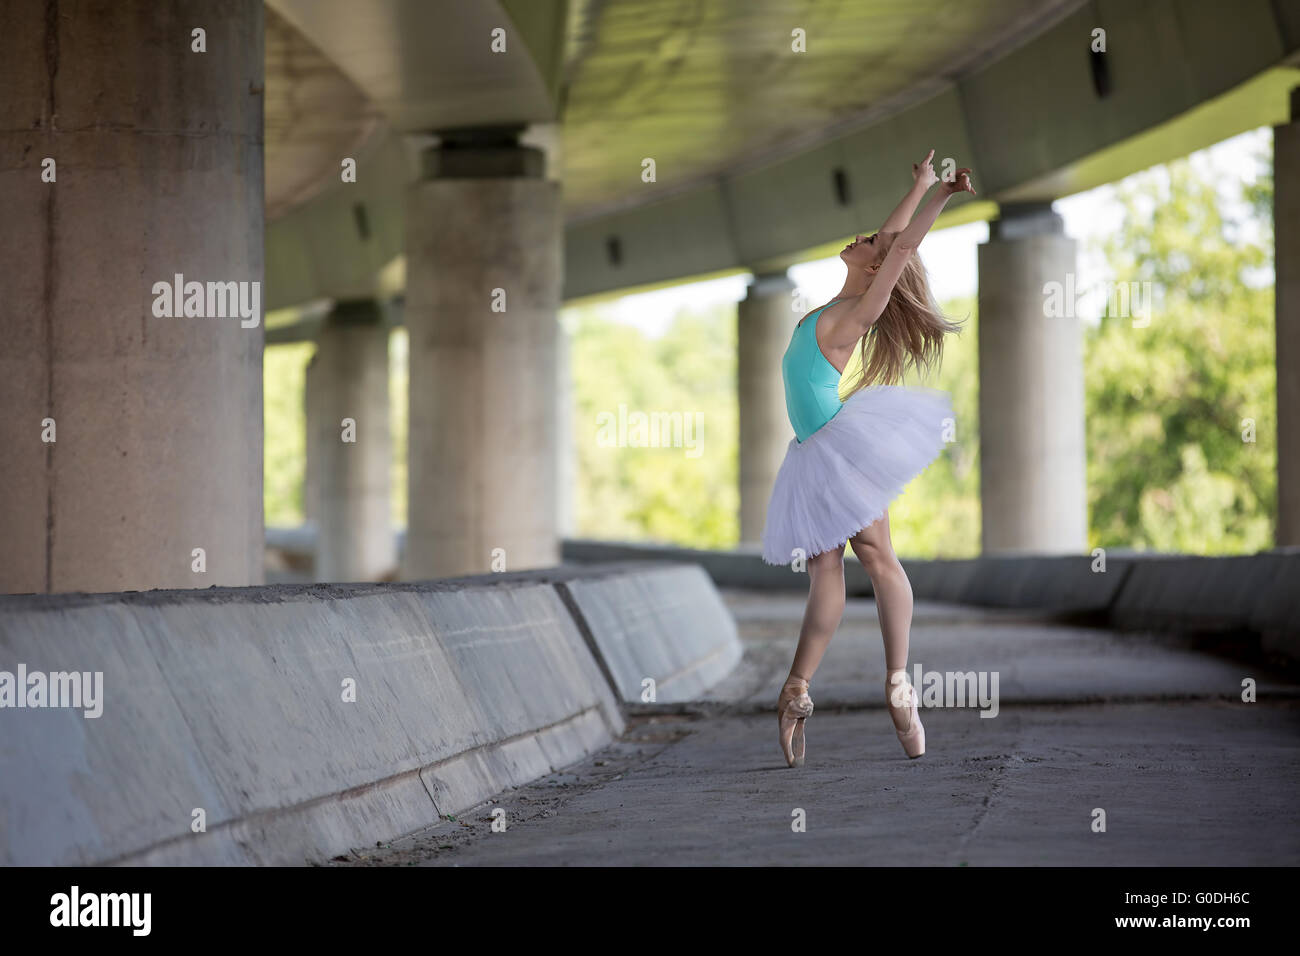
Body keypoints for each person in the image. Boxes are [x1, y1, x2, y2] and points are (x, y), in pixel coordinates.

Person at [762, 149, 975, 767]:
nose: (862, 238)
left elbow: (901, 249)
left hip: (835, 446)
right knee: (825, 573)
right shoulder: (834, 303)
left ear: (875, 267)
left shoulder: (855, 316)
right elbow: (891, 239)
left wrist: (944, 198)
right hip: (811, 451)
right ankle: (795, 691)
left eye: (868, 244)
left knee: (878, 557)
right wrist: (921, 183)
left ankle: (898, 683)